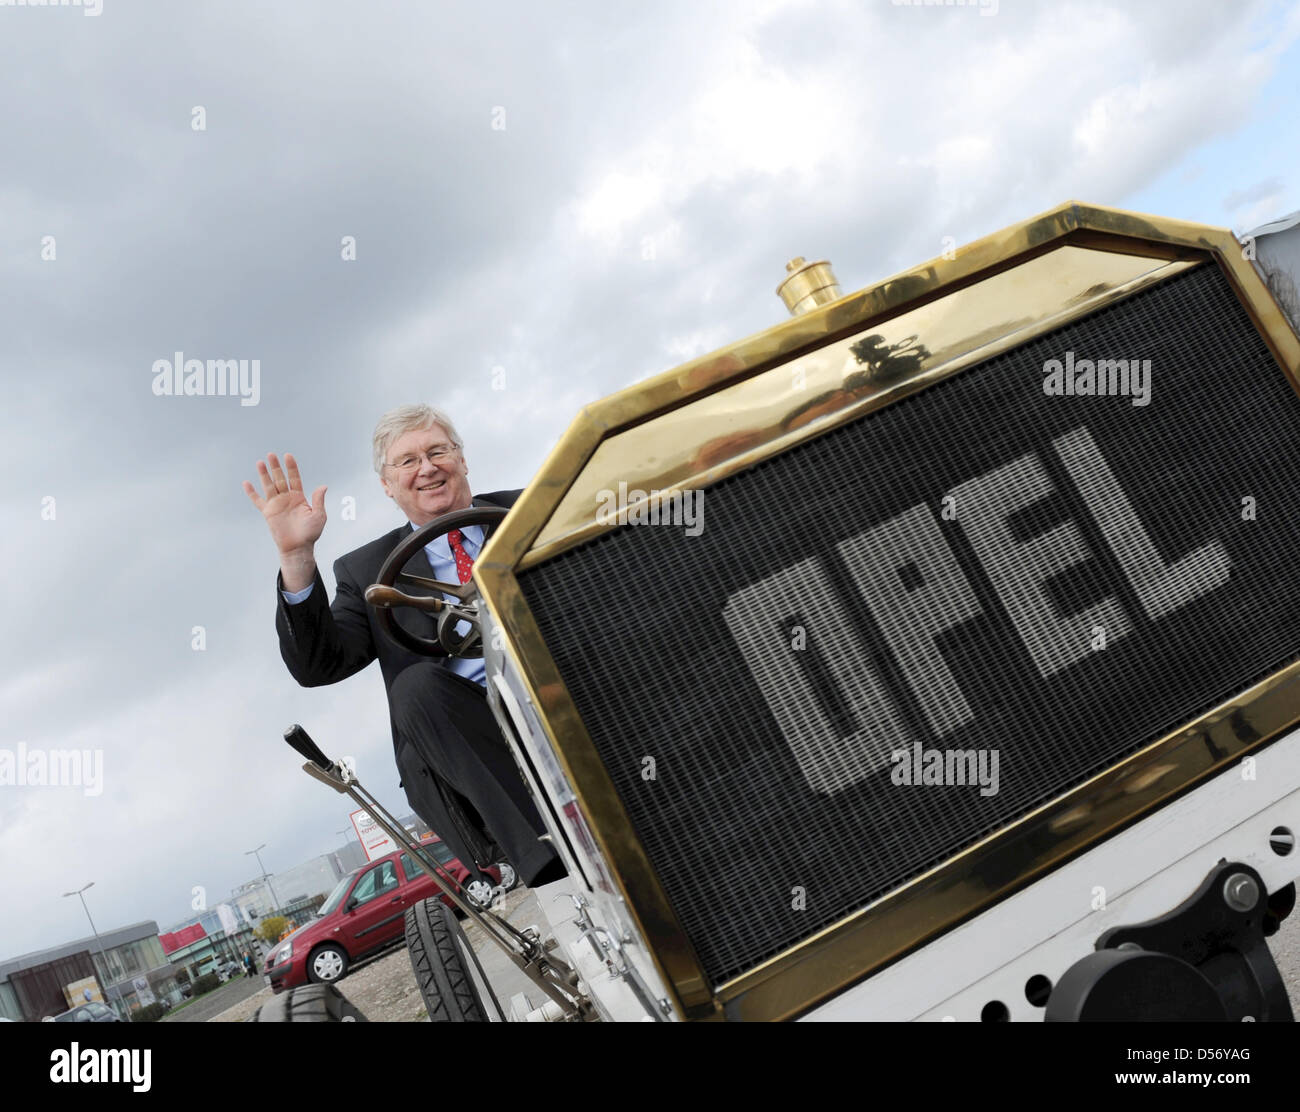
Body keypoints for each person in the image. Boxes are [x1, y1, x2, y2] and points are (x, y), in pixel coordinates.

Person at [242, 404, 563, 888]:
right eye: (407, 462)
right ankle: (553, 861)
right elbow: (317, 665)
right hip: (470, 732)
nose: (428, 467)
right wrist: (296, 558)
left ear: (462, 459)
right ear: (387, 486)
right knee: (413, 686)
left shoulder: (535, 510)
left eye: (438, 451)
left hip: (567, 687)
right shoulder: (367, 572)